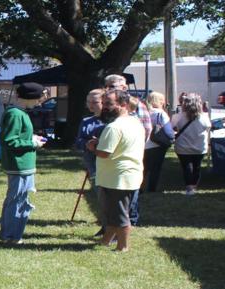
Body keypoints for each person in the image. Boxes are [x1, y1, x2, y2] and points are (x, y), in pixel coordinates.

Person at [90, 89, 145, 253]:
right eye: (104, 103)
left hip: (117, 178)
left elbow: (104, 153)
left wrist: (93, 147)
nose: (105, 107)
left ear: (123, 104)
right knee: (114, 214)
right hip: (130, 174)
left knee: (120, 214)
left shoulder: (114, 127)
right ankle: (106, 241)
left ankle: (123, 246)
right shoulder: (135, 122)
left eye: (109, 104)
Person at [0, 81, 46, 245]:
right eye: (39, 99)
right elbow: (9, 141)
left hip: (23, 164)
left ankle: (9, 234)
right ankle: (11, 236)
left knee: (17, 199)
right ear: (30, 98)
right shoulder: (15, 114)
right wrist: (32, 143)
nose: (39, 103)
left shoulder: (20, 113)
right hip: (19, 165)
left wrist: (31, 138)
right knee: (17, 200)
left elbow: (17, 137)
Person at [72, 89, 105, 237]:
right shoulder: (86, 121)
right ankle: (105, 225)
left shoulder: (110, 121)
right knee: (100, 193)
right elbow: (78, 142)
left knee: (109, 195)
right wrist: (87, 143)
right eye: (88, 102)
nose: (91, 105)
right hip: (92, 163)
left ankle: (111, 226)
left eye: (95, 102)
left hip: (107, 162)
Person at [171, 92, 211, 196]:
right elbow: (208, 128)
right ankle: (193, 186)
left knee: (186, 167)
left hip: (182, 147)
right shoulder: (204, 117)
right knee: (197, 167)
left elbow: (173, 128)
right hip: (200, 147)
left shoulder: (177, 117)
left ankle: (189, 188)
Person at [142, 91, 172, 194]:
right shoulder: (161, 113)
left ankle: (139, 188)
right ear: (159, 101)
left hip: (143, 144)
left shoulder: (144, 112)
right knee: (155, 169)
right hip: (157, 144)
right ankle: (151, 189)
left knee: (143, 168)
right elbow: (168, 130)